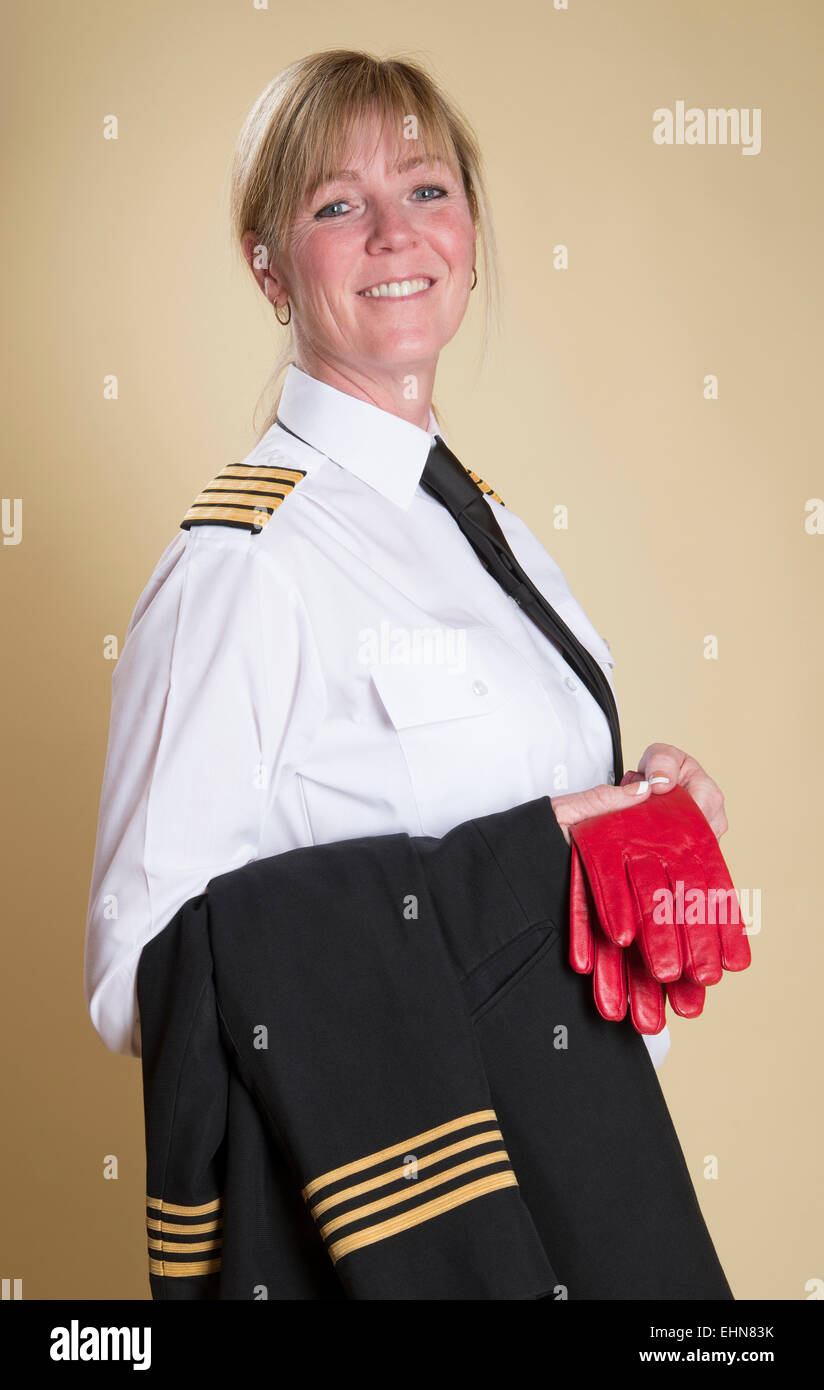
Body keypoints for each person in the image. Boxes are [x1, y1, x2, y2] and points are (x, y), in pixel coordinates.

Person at [84, 48, 729, 1071]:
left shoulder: (488, 526)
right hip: (419, 1207)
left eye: (426, 189)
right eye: (338, 206)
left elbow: (527, 846)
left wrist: (638, 812)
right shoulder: (245, 566)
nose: (395, 232)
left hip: (579, 1175)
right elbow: (142, 979)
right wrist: (499, 875)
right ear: (268, 266)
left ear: (467, 237)